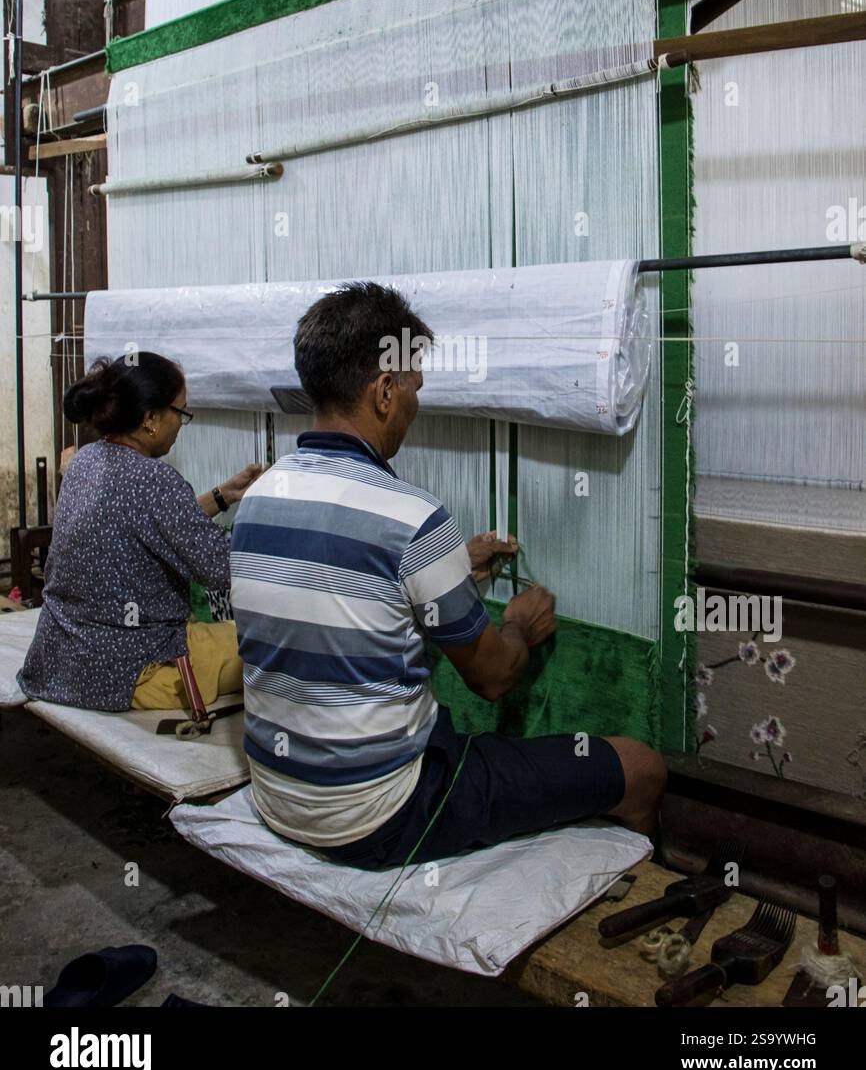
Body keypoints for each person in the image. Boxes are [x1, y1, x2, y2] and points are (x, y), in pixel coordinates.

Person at [231, 283, 666, 869]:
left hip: (277, 796)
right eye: (413, 384)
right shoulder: (411, 517)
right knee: (640, 767)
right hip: (382, 815)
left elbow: (352, 601)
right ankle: (625, 880)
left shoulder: (259, 498)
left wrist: (452, 573)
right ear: (384, 392)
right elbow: (493, 678)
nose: (417, 398)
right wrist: (518, 627)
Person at [18, 352, 263, 713]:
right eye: (181, 412)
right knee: (273, 646)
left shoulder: (84, 460)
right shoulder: (155, 481)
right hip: (133, 672)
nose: (182, 423)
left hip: (62, 663)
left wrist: (223, 496)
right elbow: (221, 570)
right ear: (150, 418)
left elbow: (148, 525)